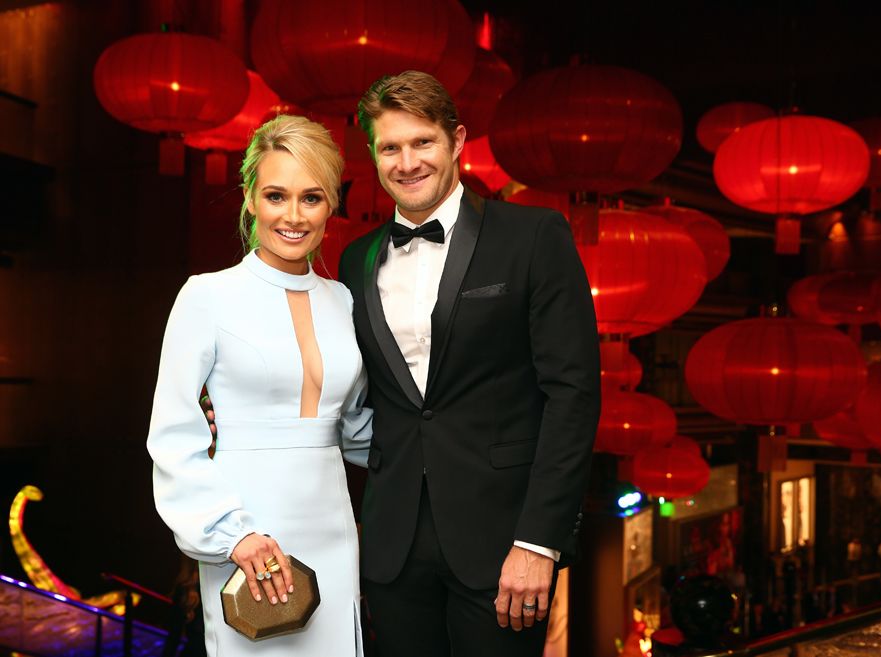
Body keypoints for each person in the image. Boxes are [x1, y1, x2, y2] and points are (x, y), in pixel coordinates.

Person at [339, 70, 600, 657]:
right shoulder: (355, 259)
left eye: (422, 142)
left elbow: (573, 394)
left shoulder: (533, 235)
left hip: (507, 544)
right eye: (390, 148)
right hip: (391, 547)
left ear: (456, 141)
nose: (407, 162)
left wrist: (540, 541)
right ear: (374, 157)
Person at [147, 115, 371, 656]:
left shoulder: (343, 301)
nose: (293, 216)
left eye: (311, 198)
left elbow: (362, 430)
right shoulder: (206, 296)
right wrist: (233, 533)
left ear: (331, 205)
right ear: (250, 198)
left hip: (335, 529)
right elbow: (172, 435)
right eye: (276, 195)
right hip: (247, 531)